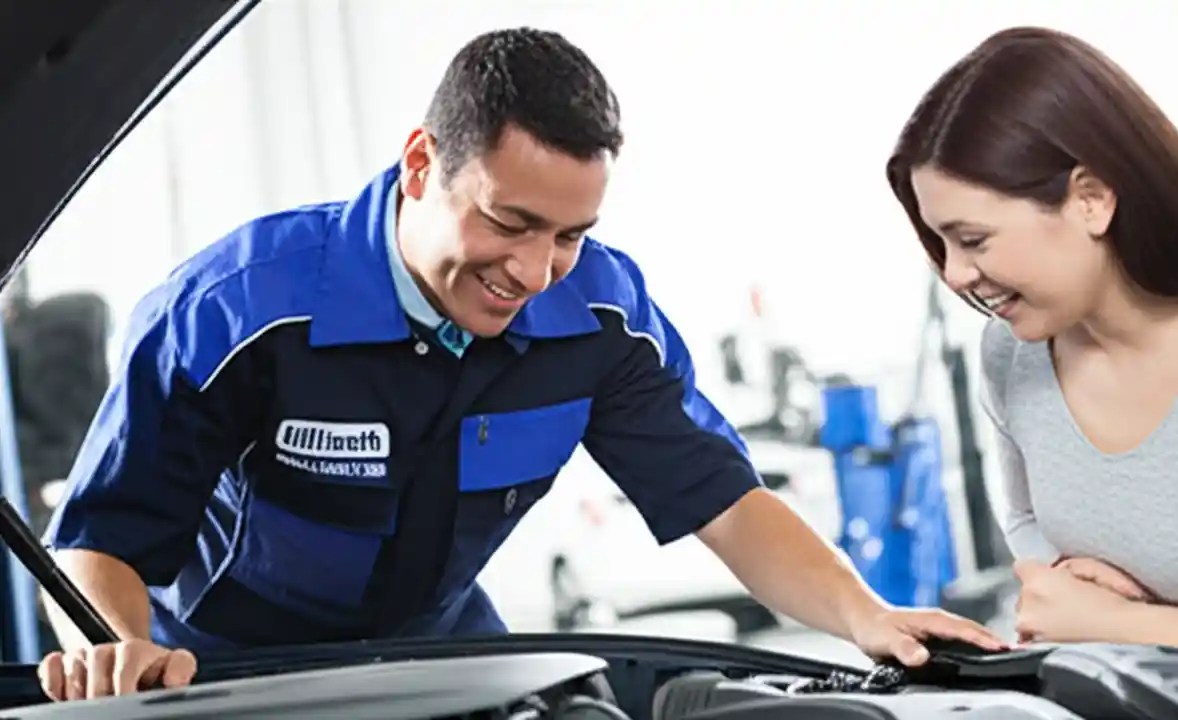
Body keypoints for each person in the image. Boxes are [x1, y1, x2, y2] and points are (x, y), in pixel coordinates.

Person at [36, 27, 1003, 702]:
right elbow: (101, 541)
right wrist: (114, 656)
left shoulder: (600, 319)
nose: (534, 273)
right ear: (422, 164)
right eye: (510, 222)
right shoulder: (236, 309)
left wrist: (865, 617)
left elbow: (725, 501)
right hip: (223, 666)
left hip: (442, 646)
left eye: (571, 234)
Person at [885, 25, 1178, 669]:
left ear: (1091, 200)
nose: (954, 274)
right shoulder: (1011, 356)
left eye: (974, 240)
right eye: (941, 244)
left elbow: (1108, 623)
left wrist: (1128, 624)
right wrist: (1065, 580)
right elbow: (1028, 528)